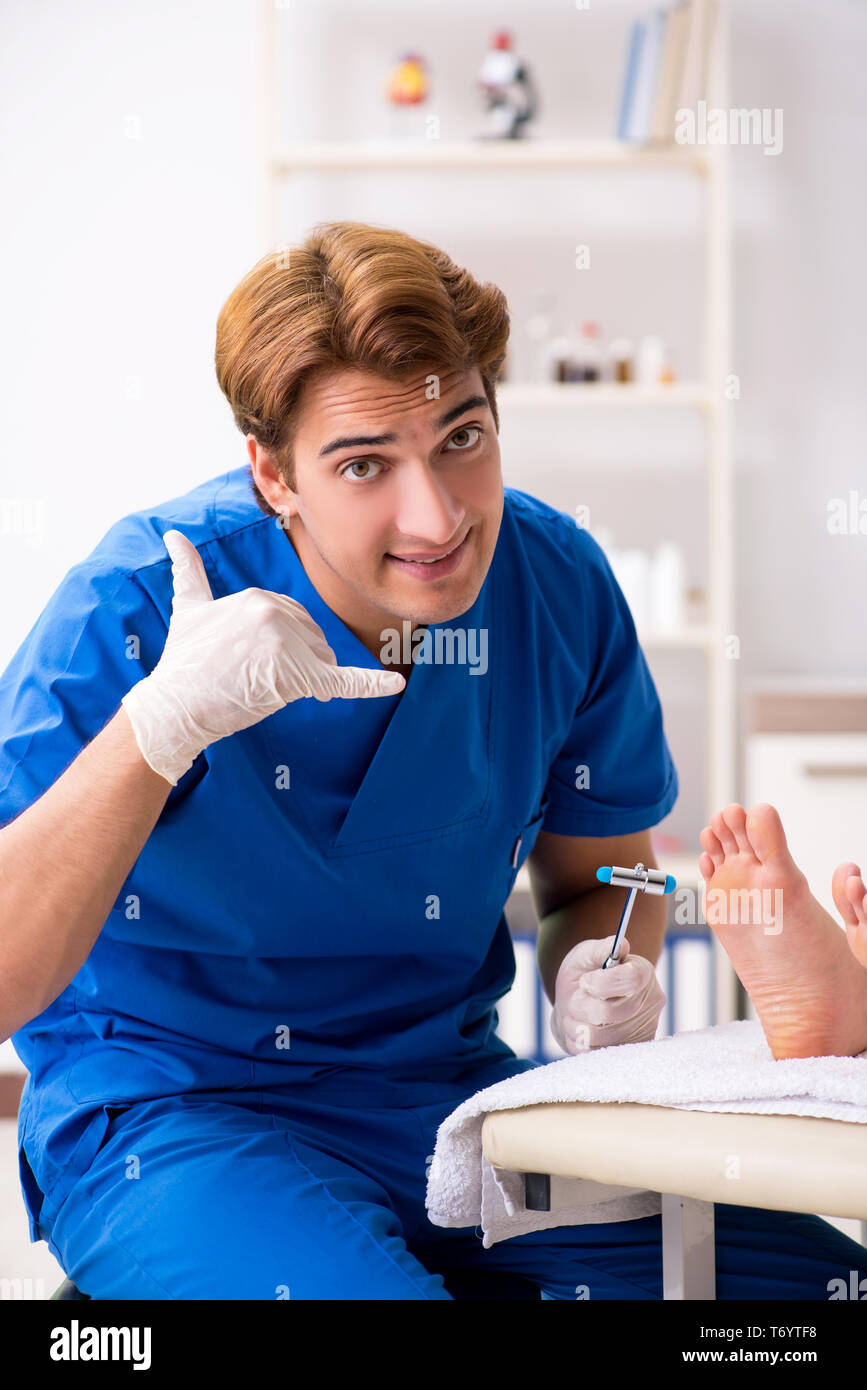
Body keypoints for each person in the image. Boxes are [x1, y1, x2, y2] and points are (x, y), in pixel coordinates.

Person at [1, 221, 864, 1300]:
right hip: (176, 1112)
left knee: (817, 1295)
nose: (439, 515)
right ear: (272, 472)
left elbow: (598, 883)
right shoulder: (132, 608)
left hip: (448, 1104)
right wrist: (158, 725)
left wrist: (597, 972)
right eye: (365, 464)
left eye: (461, 436)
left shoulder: (553, 585)